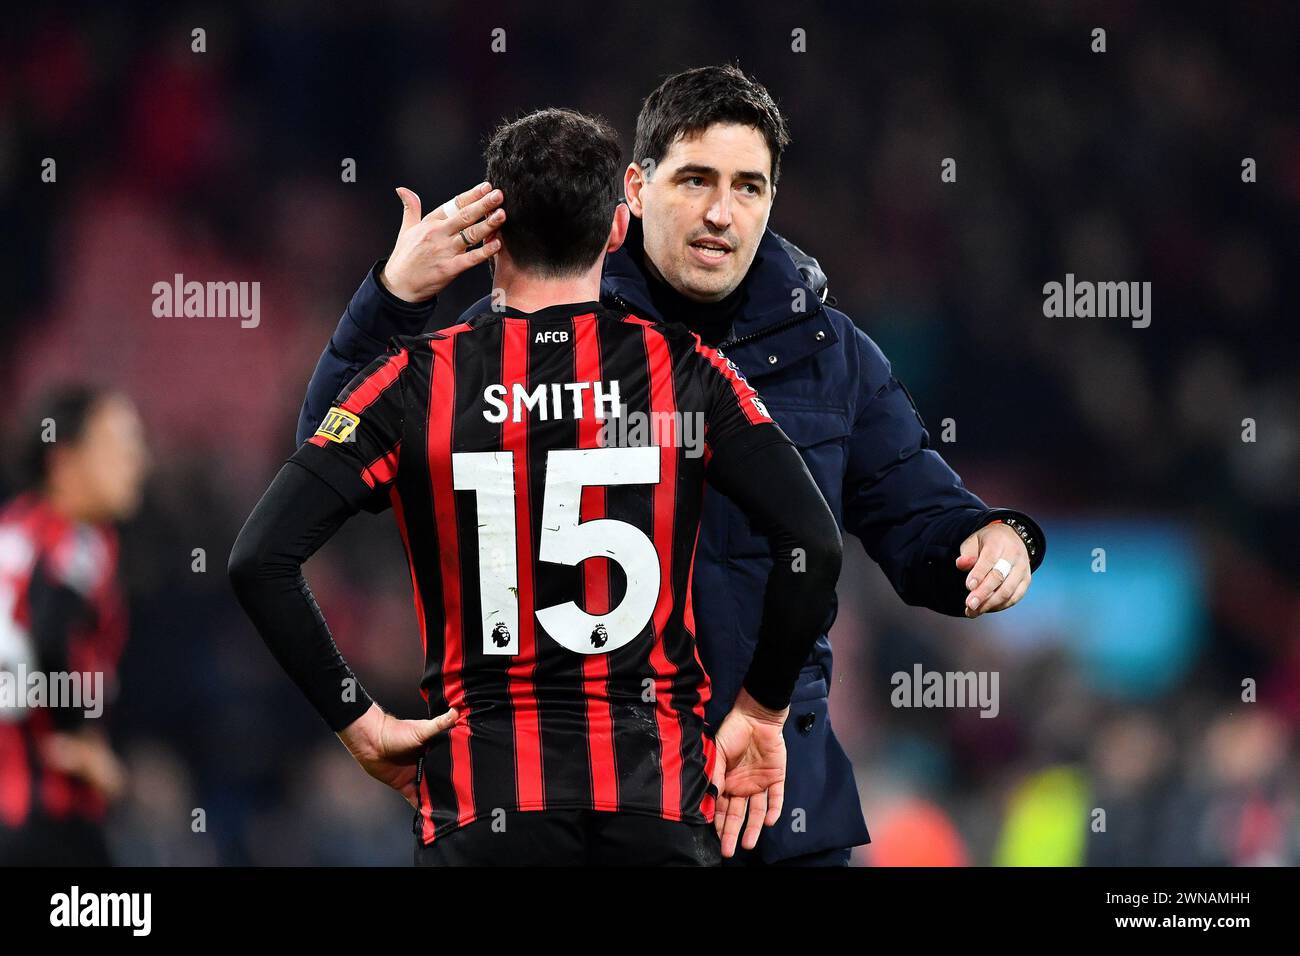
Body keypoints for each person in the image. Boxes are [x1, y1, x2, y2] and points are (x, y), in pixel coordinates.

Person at [295, 65, 1047, 866]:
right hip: (607, 807)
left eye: (749, 188)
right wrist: (392, 295)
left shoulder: (831, 357)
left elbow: (922, 524)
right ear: (635, 190)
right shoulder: (538, 330)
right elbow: (326, 456)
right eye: (695, 179)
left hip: (778, 799)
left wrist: (999, 539)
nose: (722, 212)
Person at [229, 107, 843, 866]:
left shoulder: (415, 380)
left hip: (484, 808)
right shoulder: (689, 376)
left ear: (492, 231)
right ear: (619, 229)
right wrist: (761, 709)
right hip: (656, 804)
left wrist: (358, 721)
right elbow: (813, 545)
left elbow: (260, 557)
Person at [0, 386, 149, 865]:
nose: (138, 460)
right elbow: (45, 636)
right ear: (64, 462)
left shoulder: (19, 527)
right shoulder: (73, 541)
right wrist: (82, 740)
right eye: (118, 446)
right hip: (36, 805)